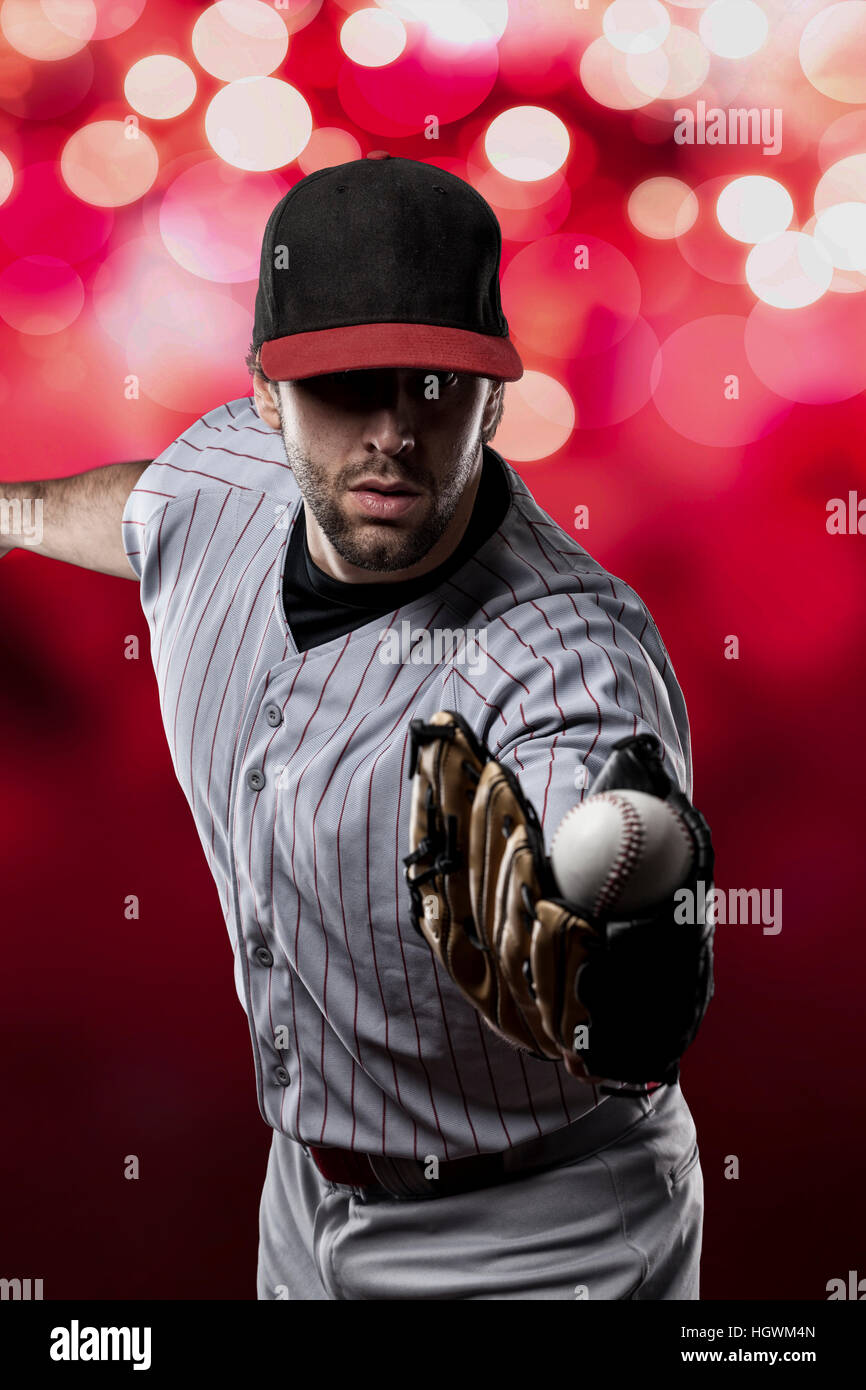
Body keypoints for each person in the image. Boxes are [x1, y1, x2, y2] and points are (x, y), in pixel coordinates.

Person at [1, 154, 707, 1300]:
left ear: (496, 389)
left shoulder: (565, 658)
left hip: (535, 1238)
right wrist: (16, 513)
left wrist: (609, 933)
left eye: (431, 384)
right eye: (344, 384)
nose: (389, 430)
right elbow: (141, 510)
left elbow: (603, 816)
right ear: (264, 394)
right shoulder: (223, 481)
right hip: (302, 1204)